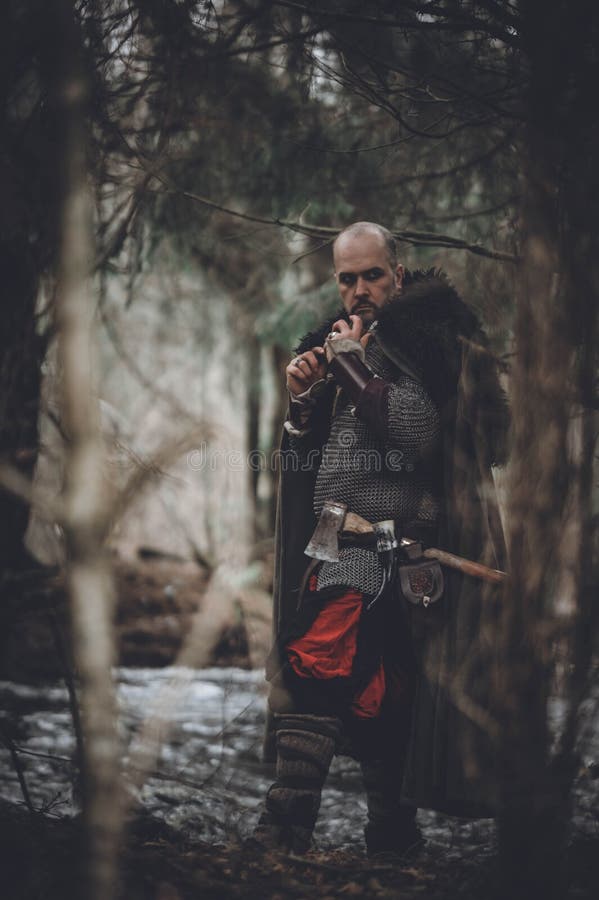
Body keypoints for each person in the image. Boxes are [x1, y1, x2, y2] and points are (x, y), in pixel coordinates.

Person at [256, 222, 508, 856]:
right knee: (361, 685)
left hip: (398, 552)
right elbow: (315, 456)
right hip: (334, 542)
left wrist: (351, 363)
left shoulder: (430, 344)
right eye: (347, 278)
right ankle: (389, 835)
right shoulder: (334, 341)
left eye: (372, 275)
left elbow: (417, 434)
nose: (360, 290)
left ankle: (291, 831)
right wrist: (303, 402)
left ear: (398, 271)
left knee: (342, 677)